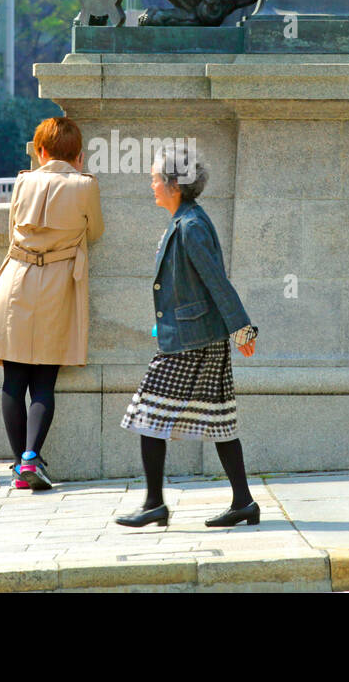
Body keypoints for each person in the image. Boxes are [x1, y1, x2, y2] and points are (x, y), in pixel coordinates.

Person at [116, 144, 260, 528]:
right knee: (218, 420)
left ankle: (153, 504)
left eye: (154, 179)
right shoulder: (185, 219)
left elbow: (217, 282)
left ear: (174, 184)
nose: (151, 186)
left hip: (193, 342)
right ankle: (243, 501)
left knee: (147, 414)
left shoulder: (191, 225)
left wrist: (242, 328)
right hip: (196, 337)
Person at [0, 117, 103, 491]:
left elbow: (12, 224)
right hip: (57, 283)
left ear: (40, 150)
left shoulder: (23, 180)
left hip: (16, 280)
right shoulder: (85, 185)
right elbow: (95, 231)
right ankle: (32, 458)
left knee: (13, 379)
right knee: (44, 381)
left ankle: (20, 464)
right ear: (78, 155)